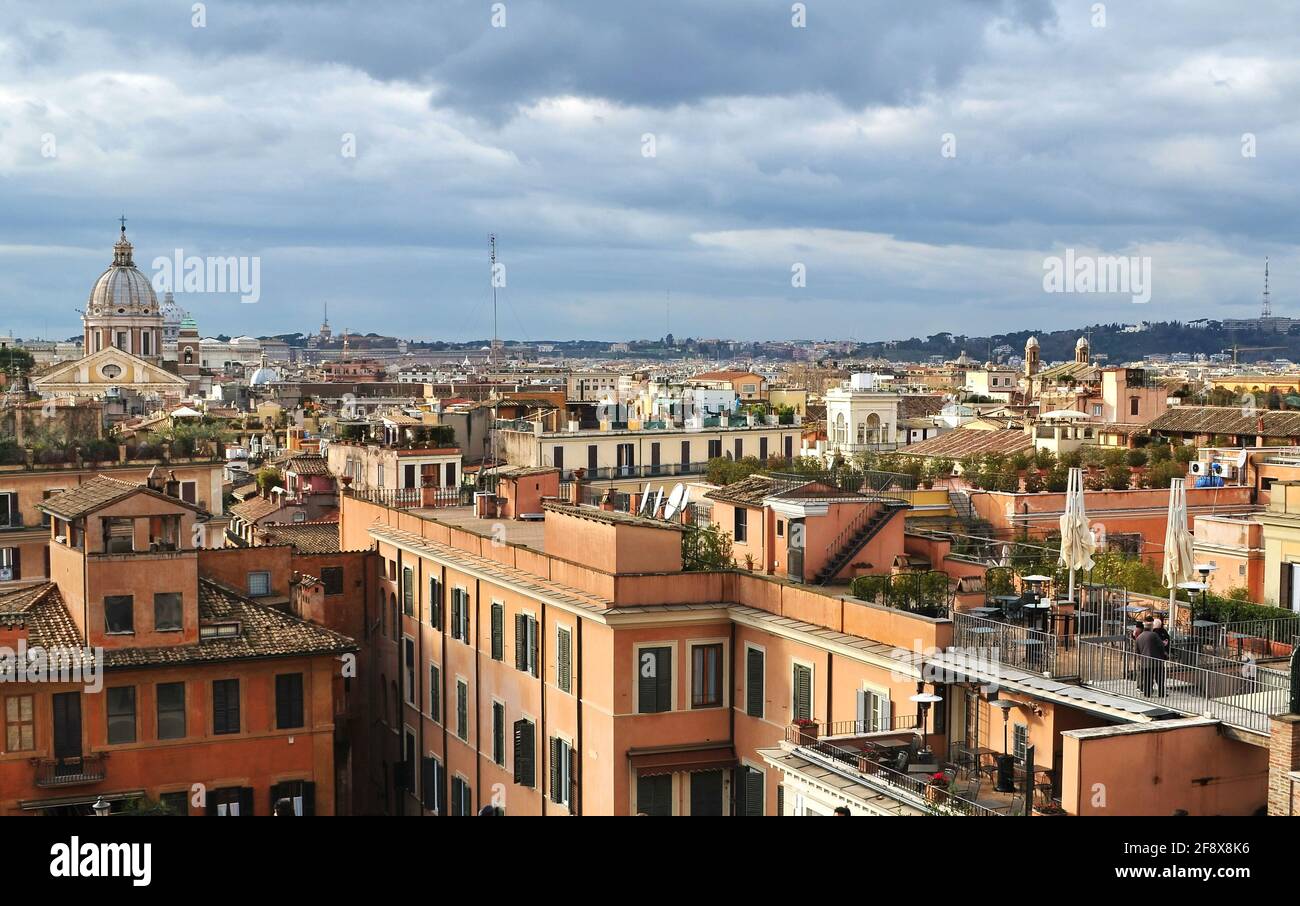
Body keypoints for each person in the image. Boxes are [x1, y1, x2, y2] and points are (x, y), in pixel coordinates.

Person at [1134, 621, 1166, 696]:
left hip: (1144, 662)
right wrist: (1163, 655)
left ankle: (1147, 693)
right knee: (1159, 678)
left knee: (1147, 678)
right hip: (1156, 661)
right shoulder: (1153, 635)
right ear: (1151, 627)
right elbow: (1161, 645)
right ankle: (1161, 693)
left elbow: (1137, 651)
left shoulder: (1139, 637)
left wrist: (1141, 658)